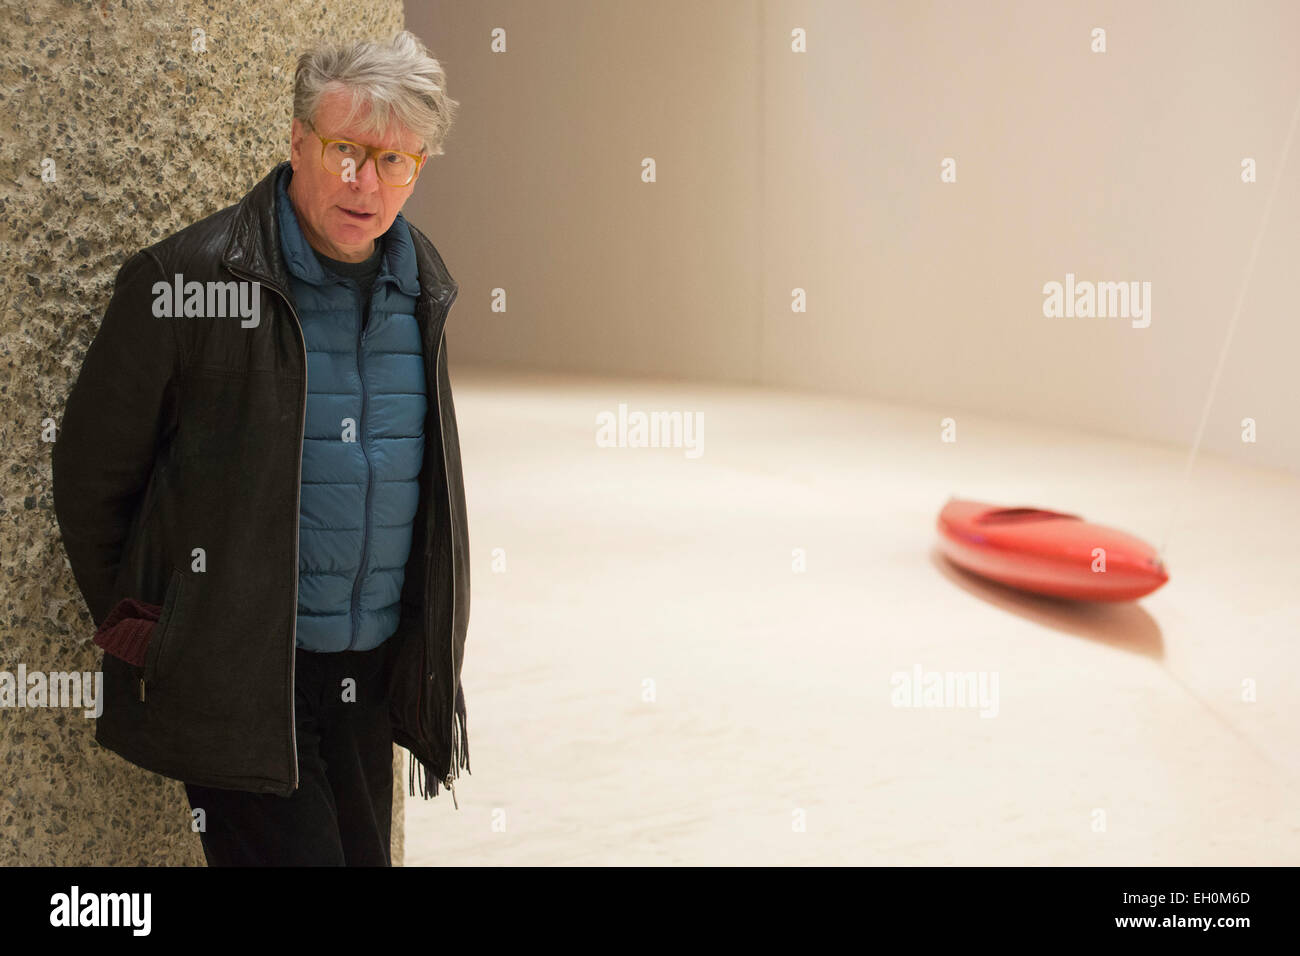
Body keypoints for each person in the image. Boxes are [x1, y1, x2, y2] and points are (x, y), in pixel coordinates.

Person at [51, 30, 471, 866]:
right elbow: (92, 475)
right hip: (243, 673)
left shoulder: (418, 278)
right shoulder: (191, 280)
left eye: (397, 161)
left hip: (371, 663)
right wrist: (159, 631)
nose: (367, 183)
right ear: (296, 141)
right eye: (346, 149)